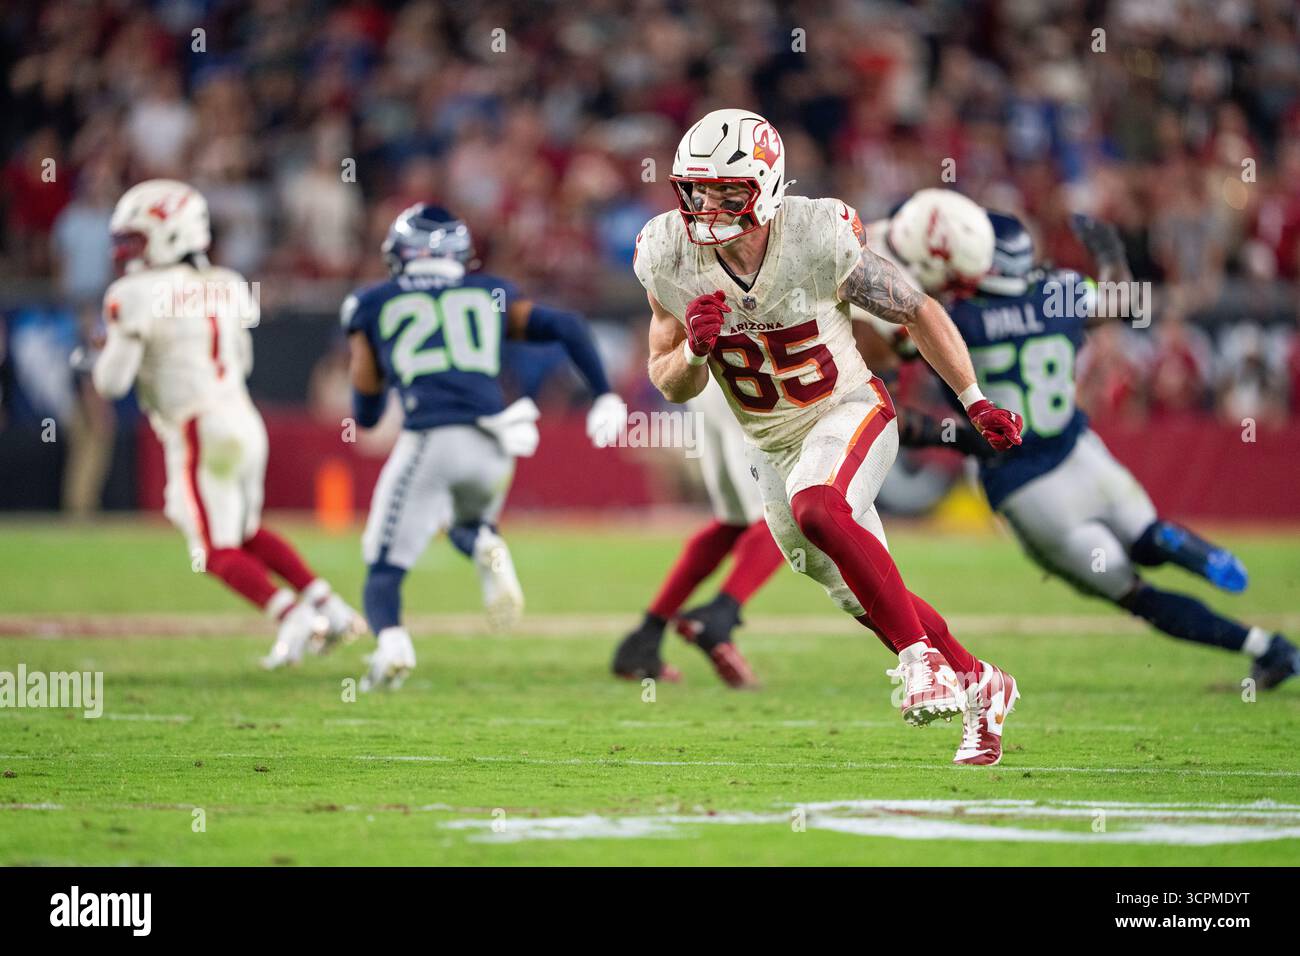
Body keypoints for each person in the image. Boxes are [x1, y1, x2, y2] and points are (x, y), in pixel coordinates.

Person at [633, 110, 1024, 766]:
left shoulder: (816, 236)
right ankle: (979, 681)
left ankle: (917, 661)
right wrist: (696, 352)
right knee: (862, 591)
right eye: (698, 189)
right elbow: (669, 382)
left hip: (847, 409)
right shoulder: (667, 255)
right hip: (771, 443)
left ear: (766, 186)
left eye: (727, 189)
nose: (708, 204)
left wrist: (973, 398)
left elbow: (916, 308)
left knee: (819, 504)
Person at [343, 204, 627, 690]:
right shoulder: (489, 292)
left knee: (383, 565)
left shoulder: (373, 303)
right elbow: (569, 326)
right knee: (462, 521)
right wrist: (604, 393)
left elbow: (367, 413)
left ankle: (392, 647)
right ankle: (485, 543)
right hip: (495, 439)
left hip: (431, 436)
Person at [92, 179, 362, 669]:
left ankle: (291, 615)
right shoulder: (230, 284)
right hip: (242, 417)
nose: (127, 250)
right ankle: (331, 606)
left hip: (198, 427)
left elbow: (112, 383)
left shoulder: (135, 293)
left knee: (214, 551)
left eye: (136, 238)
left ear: (170, 234)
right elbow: (242, 359)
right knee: (244, 532)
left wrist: (94, 357)